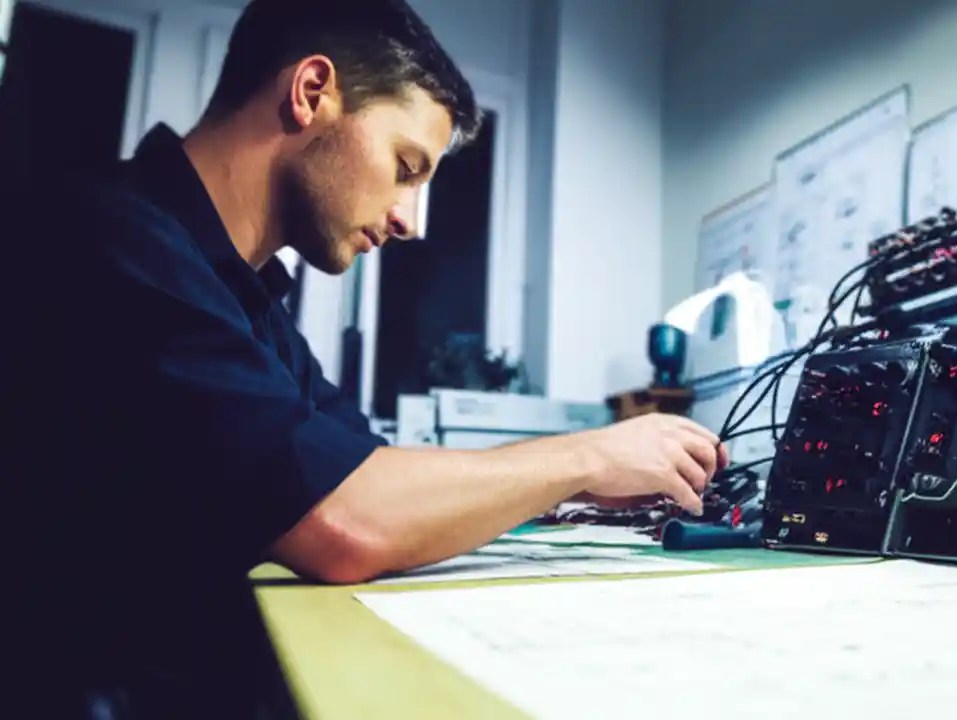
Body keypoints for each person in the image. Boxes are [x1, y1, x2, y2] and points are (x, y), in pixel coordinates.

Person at [1, 0, 725, 716]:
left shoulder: (245, 302)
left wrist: (571, 497)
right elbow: (346, 520)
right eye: (407, 166)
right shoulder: (116, 242)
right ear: (311, 93)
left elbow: (367, 469)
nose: (410, 220)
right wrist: (587, 458)